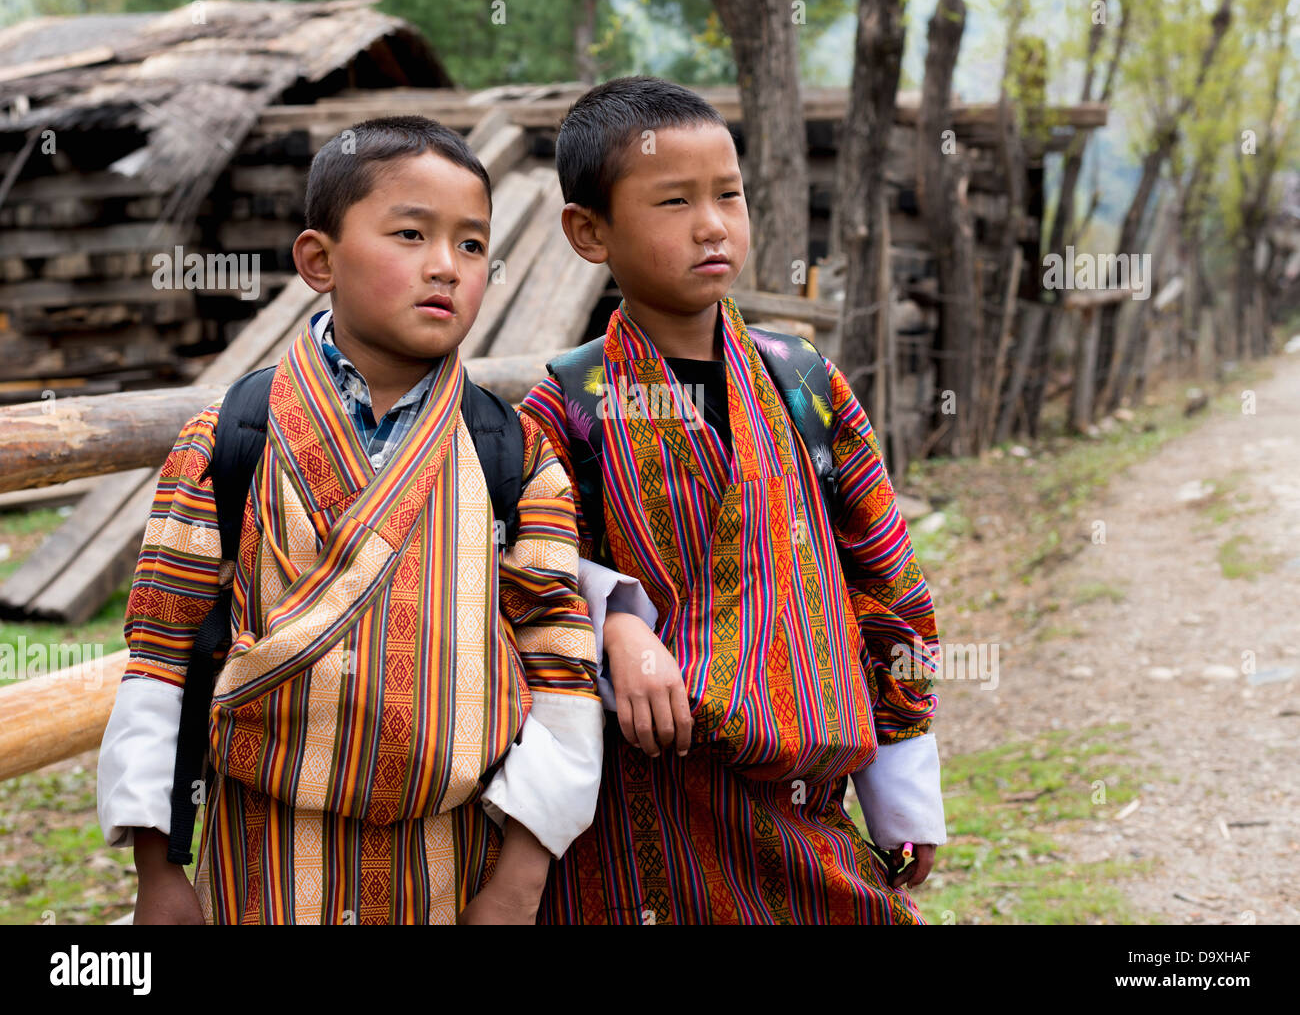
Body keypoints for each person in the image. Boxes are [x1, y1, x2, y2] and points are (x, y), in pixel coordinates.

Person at [97, 116, 604, 925]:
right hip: (258, 864)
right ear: (318, 260)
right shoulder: (229, 443)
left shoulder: (513, 454)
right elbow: (160, 658)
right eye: (411, 233)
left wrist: (520, 880)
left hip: (452, 871)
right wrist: (159, 873)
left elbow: (560, 663)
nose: (446, 267)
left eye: (473, 246)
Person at [520, 77, 947, 924]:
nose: (712, 225)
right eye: (673, 201)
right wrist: (617, 623)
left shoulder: (805, 387)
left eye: (728, 195)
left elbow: (888, 585)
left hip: (802, 813)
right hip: (642, 820)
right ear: (589, 231)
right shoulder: (569, 405)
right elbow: (528, 574)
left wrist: (900, 791)